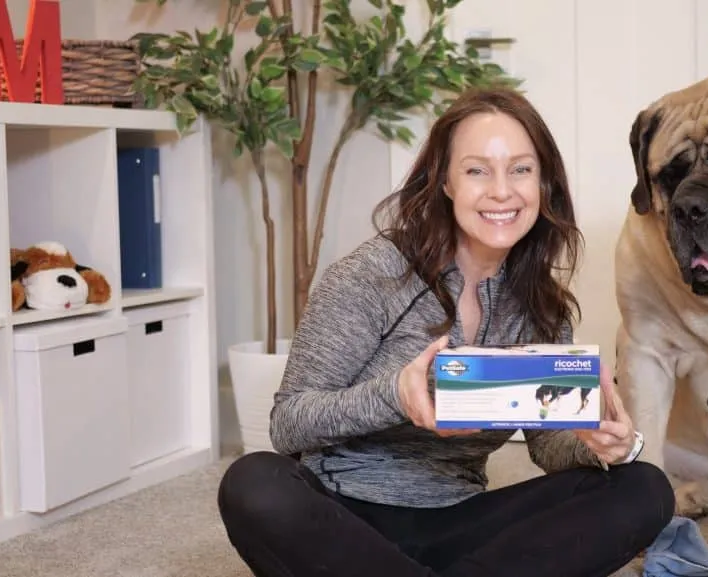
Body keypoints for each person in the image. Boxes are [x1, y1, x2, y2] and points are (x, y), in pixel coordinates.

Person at [216, 85, 675, 577]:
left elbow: (548, 444)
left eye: (521, 169)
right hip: (345, 518)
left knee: (644, 486)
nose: (502, 191)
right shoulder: (372, 274)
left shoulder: (542, 306)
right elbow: (288, 424)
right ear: (446, 183)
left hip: (461, 524)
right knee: (254, 483)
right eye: (477, 170)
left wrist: (603, 443)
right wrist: (395, 394)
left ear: (543, 184)